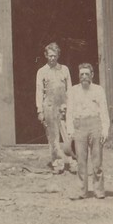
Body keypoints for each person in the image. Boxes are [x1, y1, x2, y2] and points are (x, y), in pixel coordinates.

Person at [64, 62, 110, 199]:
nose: (84, 76)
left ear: (92, 75)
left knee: (97, 161)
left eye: (87, 74)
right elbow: (69, 112)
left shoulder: (98, 90)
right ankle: (81, 191)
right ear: (79, 76)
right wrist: (70, 130)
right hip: (79, 126)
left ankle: (99, 191)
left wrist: (105, 129)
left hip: (95, 125)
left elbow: (104, 111)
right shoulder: (73, 91)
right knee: (81, 161)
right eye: (82, 74)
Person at [35, 42, 72, 171]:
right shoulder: (41, 72)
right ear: (46, 55)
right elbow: (39, 91)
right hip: (49, 107)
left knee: (68, 134)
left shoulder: (64, 69)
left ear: (58, 55)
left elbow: (69, 89)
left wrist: (70, 105)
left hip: (63, 106)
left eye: (54, 55)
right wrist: (40, 110)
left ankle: (71, 161)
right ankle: (57, 163)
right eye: (50, 55)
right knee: (53, 136)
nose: (52, 58)